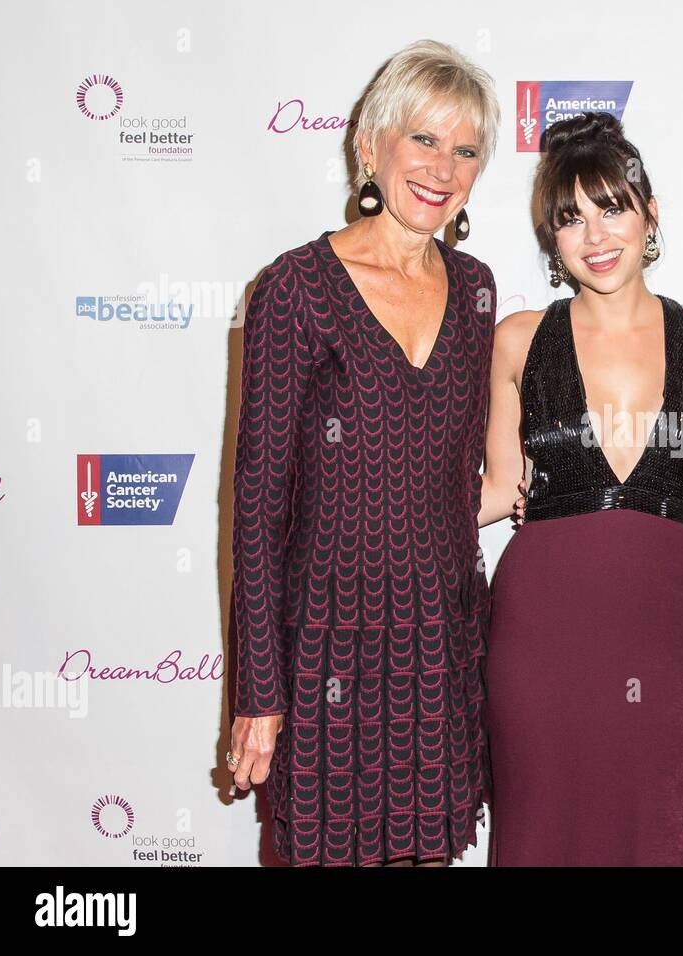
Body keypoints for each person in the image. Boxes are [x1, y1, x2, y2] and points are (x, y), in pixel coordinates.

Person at [226, 40, 500, 867]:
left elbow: (455, 480)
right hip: (325, 654)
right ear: (369, 145)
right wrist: (260, 693)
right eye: (422, 139)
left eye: (465, 150)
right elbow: (257, 505)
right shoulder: (296, 289)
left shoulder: (478, 290)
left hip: (437, 651)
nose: (442, 167)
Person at [478, 112, 683, 866]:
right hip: (540, 634)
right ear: (551, 242)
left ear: (649, 213)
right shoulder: (519, 339)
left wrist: (646, 504)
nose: (594, 235)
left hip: (662, 626)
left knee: (658, 823)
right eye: (569, 219)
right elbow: (498, 486)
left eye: (611, 206)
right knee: (542, 829)